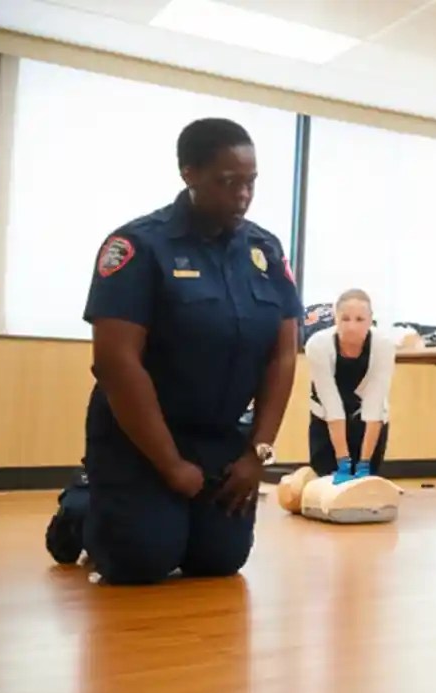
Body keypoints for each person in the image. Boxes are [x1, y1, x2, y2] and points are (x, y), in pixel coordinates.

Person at [80, 118, 302, 585]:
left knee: (219, 560)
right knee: (142, 562)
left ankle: (140, 510)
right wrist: (169, 463)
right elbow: (116, 364)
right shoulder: (139, 246)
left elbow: (282, 356)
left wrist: (255, 455)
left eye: (251, 182)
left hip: (220, 438)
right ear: (189, 174)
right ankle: (81, 507)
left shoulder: (265, 249)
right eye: (228, 182)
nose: (243, 194)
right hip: (139, 437)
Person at [304, 288, 396, 483]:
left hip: (367, 420)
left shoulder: (384, 346)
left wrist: (364, 463)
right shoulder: (317, 345)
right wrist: (343, 461)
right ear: (335, 318)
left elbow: (375, 404)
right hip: (326, 419)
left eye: (360, 319)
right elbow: (331, 404)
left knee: (365, 484)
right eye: (345, 319)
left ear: (371, 320)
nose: (352, 326)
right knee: (326, 481)